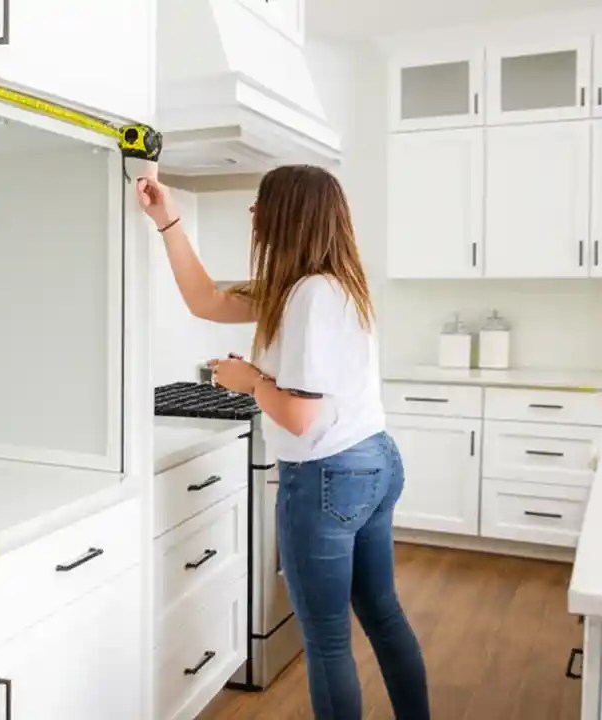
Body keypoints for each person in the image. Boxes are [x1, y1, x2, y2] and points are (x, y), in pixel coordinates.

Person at [137, 166, 430, 720]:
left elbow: (298, 415)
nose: (252, 215)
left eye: (261, 204)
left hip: (327, 475)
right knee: (382, 613)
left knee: (326, 641)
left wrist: (247, 379)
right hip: (373, 462)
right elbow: (207, 301)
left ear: (288, 215)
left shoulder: (310, 297)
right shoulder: (324, 285)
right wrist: (167, 219)